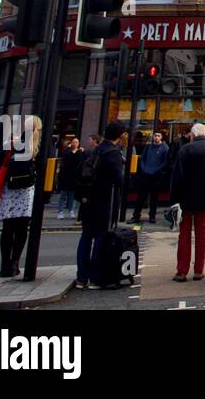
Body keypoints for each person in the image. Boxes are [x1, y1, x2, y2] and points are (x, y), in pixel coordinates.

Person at [169, 123, 205, 282]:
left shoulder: (186, 150)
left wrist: (175, 199)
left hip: (186, 197)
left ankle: (182, 271)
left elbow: (177, 176)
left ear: (193, 135)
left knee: (184, 233)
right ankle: (199, 270)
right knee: (201, 233)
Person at [75, 122, 126, 290]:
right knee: (100, 237)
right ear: (120, 136)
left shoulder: (90, 151)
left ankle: (82, 277)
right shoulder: (113, 153)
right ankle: (96, 276)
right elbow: (119, 179)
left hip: (87, 200)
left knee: (86, 237)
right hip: (105, 201)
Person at [0, 115, 42, 278]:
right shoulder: (38, 146)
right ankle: (15, 263)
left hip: (9, 189)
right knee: (22, 228)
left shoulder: (12, 142)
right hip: (26, 190)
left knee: (8, 228)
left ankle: (5, 265)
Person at [131, 131, 170, 224]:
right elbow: (142, 159)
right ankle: (136, 216)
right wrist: (144, 168)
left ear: (161, 137)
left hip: (156, 175)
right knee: (141, 196)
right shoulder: (148, 147)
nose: (156, 137)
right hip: (146, 174)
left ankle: (152, 216)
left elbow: (165, 162)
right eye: (155, 135)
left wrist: (156, 170)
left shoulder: (165, 148)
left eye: (158, 135)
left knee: (154, 197)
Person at [56, 135, 82, 220]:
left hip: (74, 177)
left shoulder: (79, 153)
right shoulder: (67, 152)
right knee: (63, 195)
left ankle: (71, 211)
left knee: (72, 195)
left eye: (77, 142)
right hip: (66, 176)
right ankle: (60, 212)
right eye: (74, 142)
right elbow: (64, 163)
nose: (75, 143)